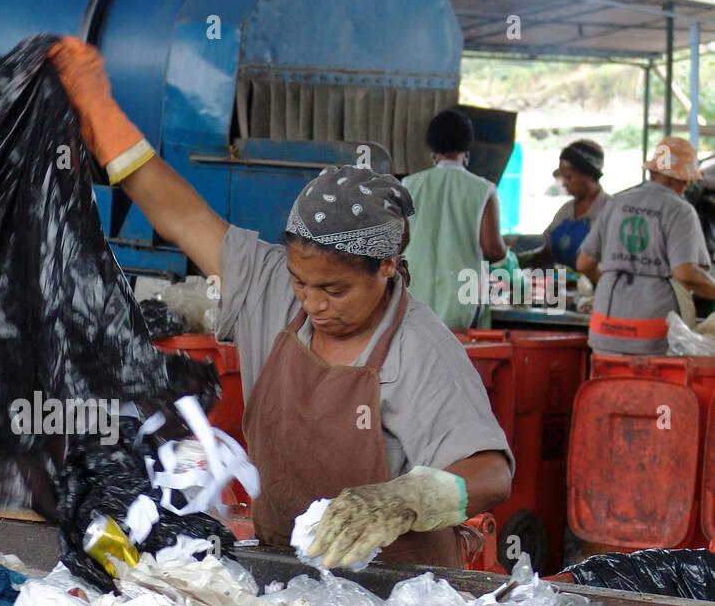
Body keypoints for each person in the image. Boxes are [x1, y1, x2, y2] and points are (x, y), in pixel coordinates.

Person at [48, 38, 512, 571]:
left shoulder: (422, 349)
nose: (313, 304)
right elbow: (183, 216)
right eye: (301, 282)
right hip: (285, 575)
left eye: (334, 290)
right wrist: (101, 116)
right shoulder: (268, 284)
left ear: (385, 268)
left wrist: (403, 500)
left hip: (400, 595)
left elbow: (492, 472)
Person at [576, 136, 715, 355]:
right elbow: (686, 272)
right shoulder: (680, 210)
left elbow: (584, 263)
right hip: (649, 333)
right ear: (685, 179)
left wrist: (615, 283)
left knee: (607, 386)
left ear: (652, 173)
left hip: (604, 327)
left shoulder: (616, 202)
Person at [400, 109, 508, 328]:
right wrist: (509, 258)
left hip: (415, 295)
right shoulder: (483, 189)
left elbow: (399, 241)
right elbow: (493, 249)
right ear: (467, 147)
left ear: (432, 146)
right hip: (462, 298)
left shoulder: (410, 184)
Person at [519, 140, 610, 271]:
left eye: (568, 177)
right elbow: (546, 251)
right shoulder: (566, 210)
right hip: (561, 286)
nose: (564, 183)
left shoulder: (610, 210)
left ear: (589, 175)